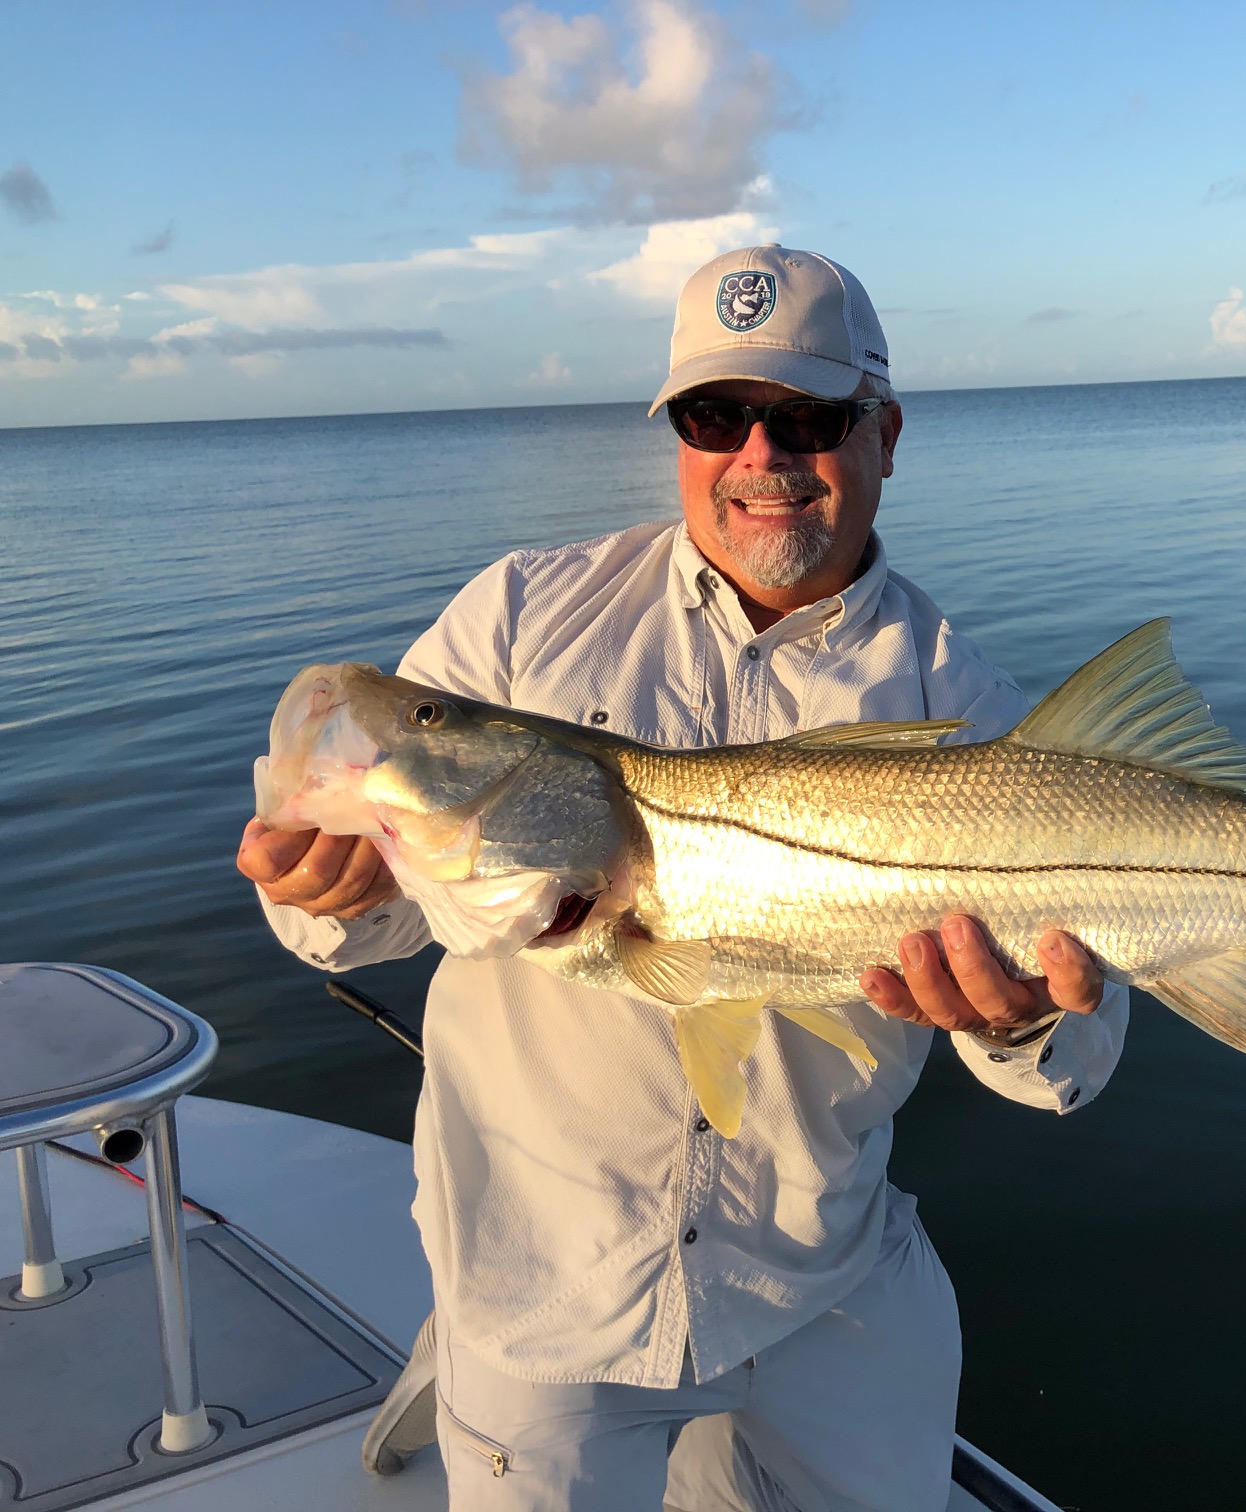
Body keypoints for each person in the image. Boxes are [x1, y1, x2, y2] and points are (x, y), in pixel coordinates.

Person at [236, 244, 1130, 1511]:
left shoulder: (966, 707)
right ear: (679, 439)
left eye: (807, 418)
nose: (759, 457)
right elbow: (371, 916)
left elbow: (1080, 1055)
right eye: (718, 416)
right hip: (544, 1284)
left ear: (885, 435)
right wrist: (324, 894)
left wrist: (1028, 1020)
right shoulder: (515, 624)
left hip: (823, 1276)